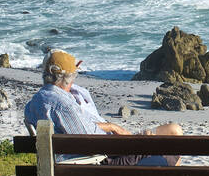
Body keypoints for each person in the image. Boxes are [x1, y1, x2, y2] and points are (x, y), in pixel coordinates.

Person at [23, 49, 182, 166]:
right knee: (170, 151)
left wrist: (110, 126)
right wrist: (137, 141)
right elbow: (91, 141)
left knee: (174, 130)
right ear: (68, 77)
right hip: (102, 160)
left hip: (98, 150)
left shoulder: (36, 101)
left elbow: (77, 129)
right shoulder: (62, 105)